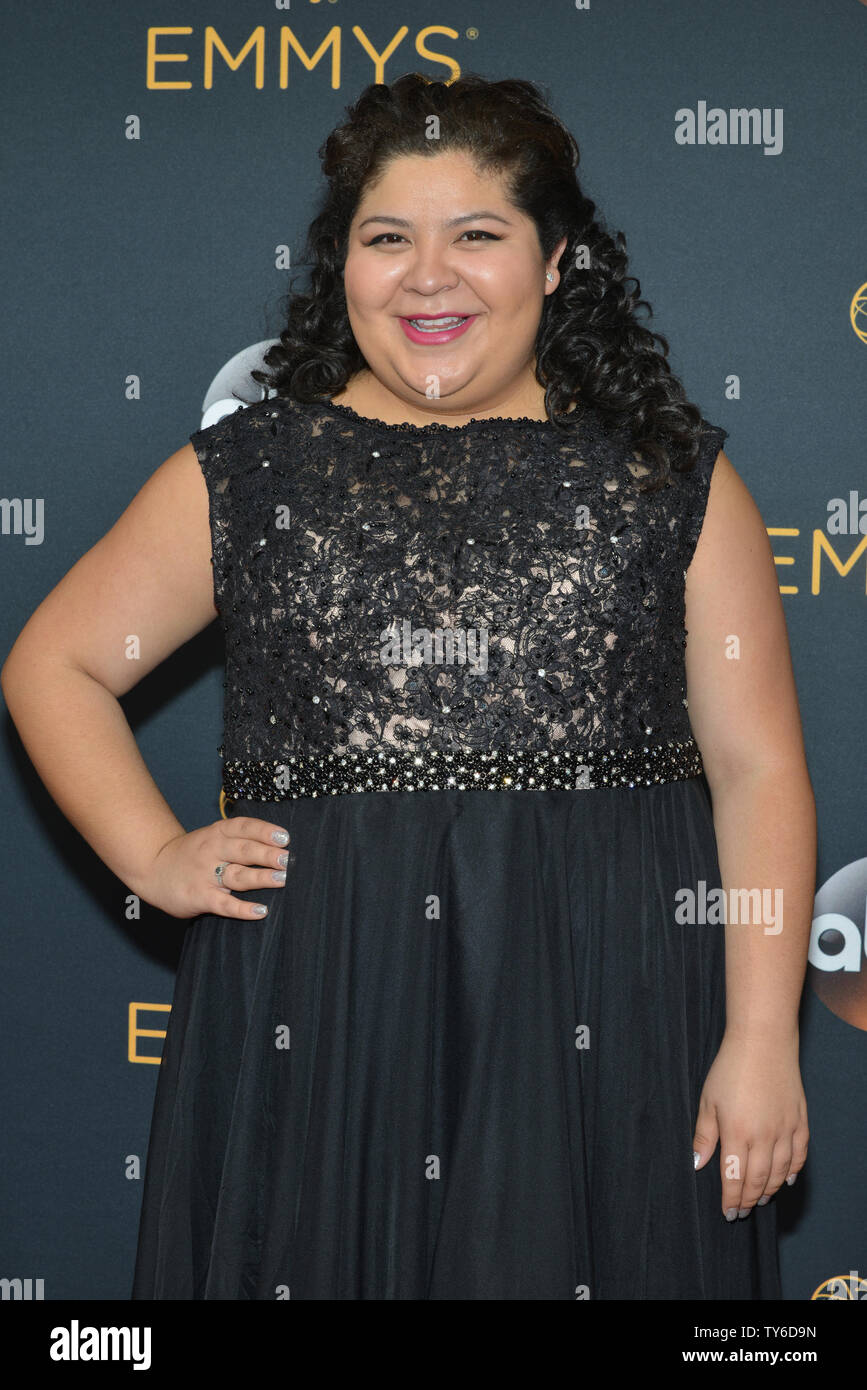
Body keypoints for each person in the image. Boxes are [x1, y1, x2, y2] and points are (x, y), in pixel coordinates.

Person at [1, 73, 814, 1300]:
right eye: (388, 239)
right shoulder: (250, 477)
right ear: (344, 265)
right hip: (328, 1014)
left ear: (555, 262)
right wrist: (154, 854)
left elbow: (757, 770)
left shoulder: (668, 480)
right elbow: (55, 665)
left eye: (476, 234)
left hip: (613, 1009)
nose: (428, 277)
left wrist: (759, 1037)